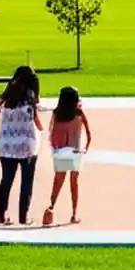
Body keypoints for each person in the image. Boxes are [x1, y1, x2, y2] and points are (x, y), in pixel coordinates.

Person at [0, 66, 42, 225]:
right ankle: (24, 215)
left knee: (6, 179)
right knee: (26, 181)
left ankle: (2, 214)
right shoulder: (30, 102)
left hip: (6, 144)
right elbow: (38, 124)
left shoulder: (8, 101)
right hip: (26, 145)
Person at [44, 86, 92, 225]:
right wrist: (86, 147)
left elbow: (51, 132)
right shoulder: (79, 113)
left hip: (60, 150)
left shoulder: (57, 114)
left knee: (58, 181)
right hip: (76, 151)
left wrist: (54, 148)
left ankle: (51, 206)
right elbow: (88, 133)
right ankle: (74, 214)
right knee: (74, 183)